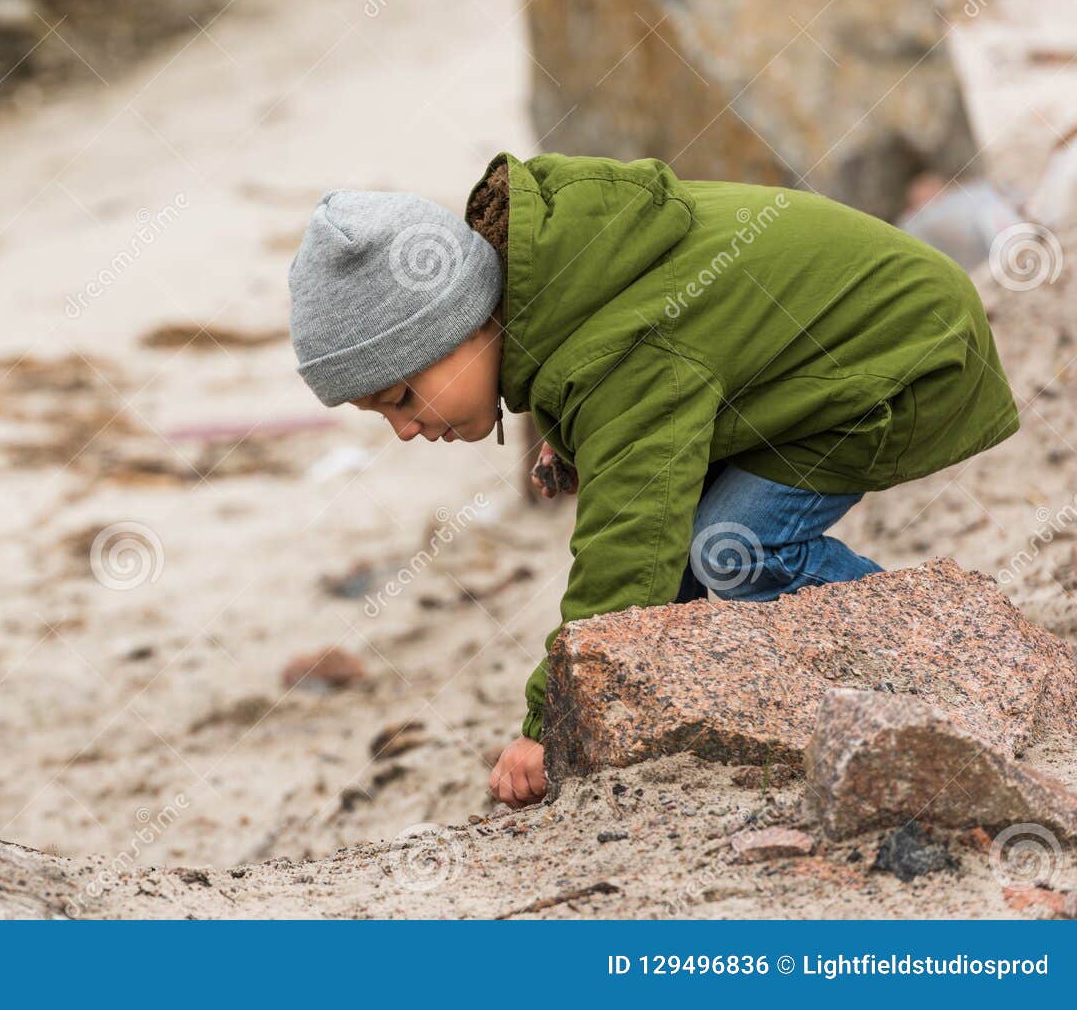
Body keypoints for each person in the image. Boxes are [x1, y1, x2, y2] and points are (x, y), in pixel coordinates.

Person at [286, 152, 1020, 808]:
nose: (406, 428)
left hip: (905, 355)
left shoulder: (617, 349)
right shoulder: (567, 290)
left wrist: (553, 723)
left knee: (727, 547)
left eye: (403, 397)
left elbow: (625, 549)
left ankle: (949, 672)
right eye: (383, 416)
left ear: (464, 323)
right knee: (684, 569)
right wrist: (574, 439)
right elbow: (648, 394)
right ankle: (761, 698)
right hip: (834, 356)